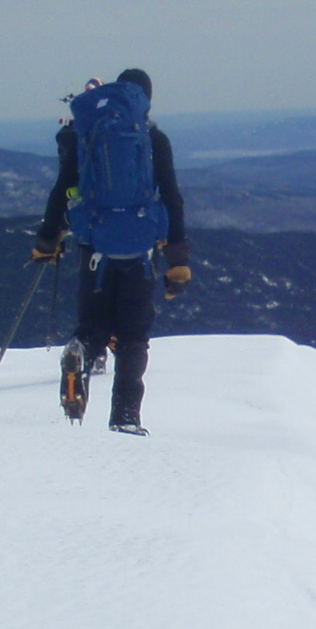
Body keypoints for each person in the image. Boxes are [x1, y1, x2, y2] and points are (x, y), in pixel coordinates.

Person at [31, 69, 191, 435]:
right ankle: (125, 417)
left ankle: (82, 352)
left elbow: (62, 189)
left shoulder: (86, 135)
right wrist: (178, 261)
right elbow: (172, 196)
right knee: (134, 338)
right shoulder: (154, 138)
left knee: (93, 325)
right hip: (139, 251)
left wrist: (47, 240)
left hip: (95, 247)